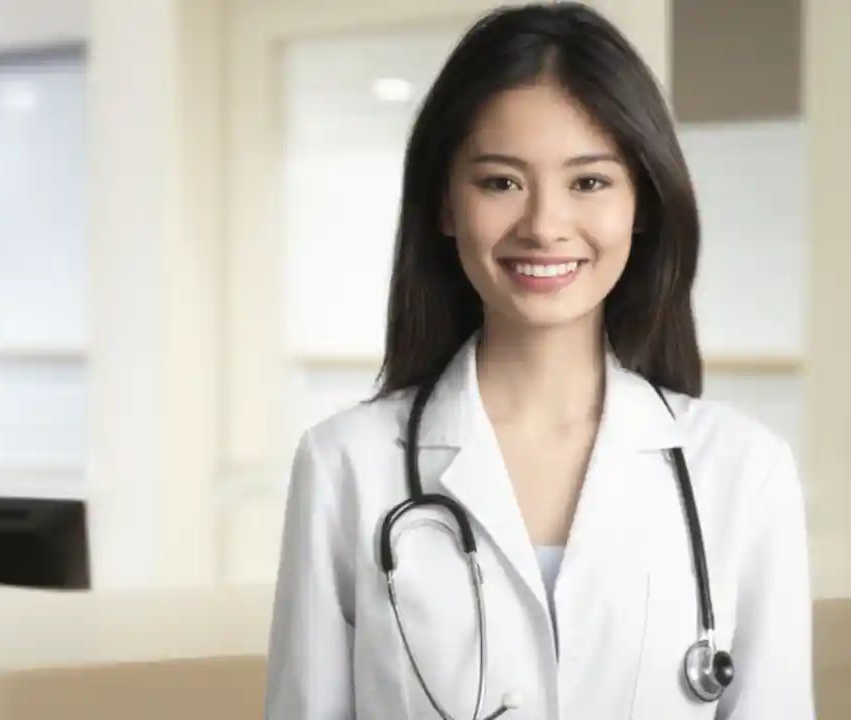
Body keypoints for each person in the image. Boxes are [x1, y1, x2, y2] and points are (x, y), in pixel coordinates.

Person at [263, 3, 814, 718]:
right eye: (500, 182)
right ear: (445, 205)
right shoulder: (346, 466)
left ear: (641, 203)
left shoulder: (743, 472)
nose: (545, 226)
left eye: (589, 182)